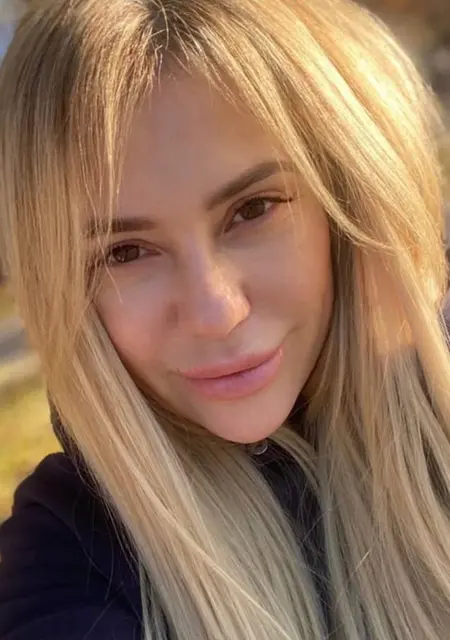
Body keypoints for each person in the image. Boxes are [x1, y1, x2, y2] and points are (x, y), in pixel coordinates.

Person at [0, 0, 449, 638]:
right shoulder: (72, 554)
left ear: (345, 191)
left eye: (253, 209)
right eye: (125, 252)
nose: (216, 313)